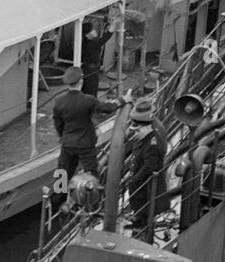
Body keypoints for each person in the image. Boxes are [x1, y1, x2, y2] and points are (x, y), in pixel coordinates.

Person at [51, 66, 120, 208]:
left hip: (68, 143)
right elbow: (106, 109)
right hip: (85, 144)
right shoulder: (88, 100)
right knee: (91, 172)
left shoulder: (59, 101)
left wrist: (62, 137)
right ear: (81, 81)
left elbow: (58, 124)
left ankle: (56, 203)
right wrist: (121, 101)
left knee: (62, 174)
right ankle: (92, 204)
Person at [126, 98, 166, 241]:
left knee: (145, 201)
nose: (135, 133)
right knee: (137, 199)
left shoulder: (152, 142)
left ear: (147, 127)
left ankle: (143, 227)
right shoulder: (145, 137)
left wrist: (135, 180)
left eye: (137, 130)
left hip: (146, 181)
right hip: (138, 175)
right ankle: (138, 216)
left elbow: (149, 166)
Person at [80, 17, 112, 97]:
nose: (95, 30)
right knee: (91, 92)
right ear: (87, 34)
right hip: (91, 71)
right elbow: (107, 36)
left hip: (87, 69)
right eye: (92, 30)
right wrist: (116, 23)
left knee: (85, 90)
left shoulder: (86, 41)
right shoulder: (92, 44)